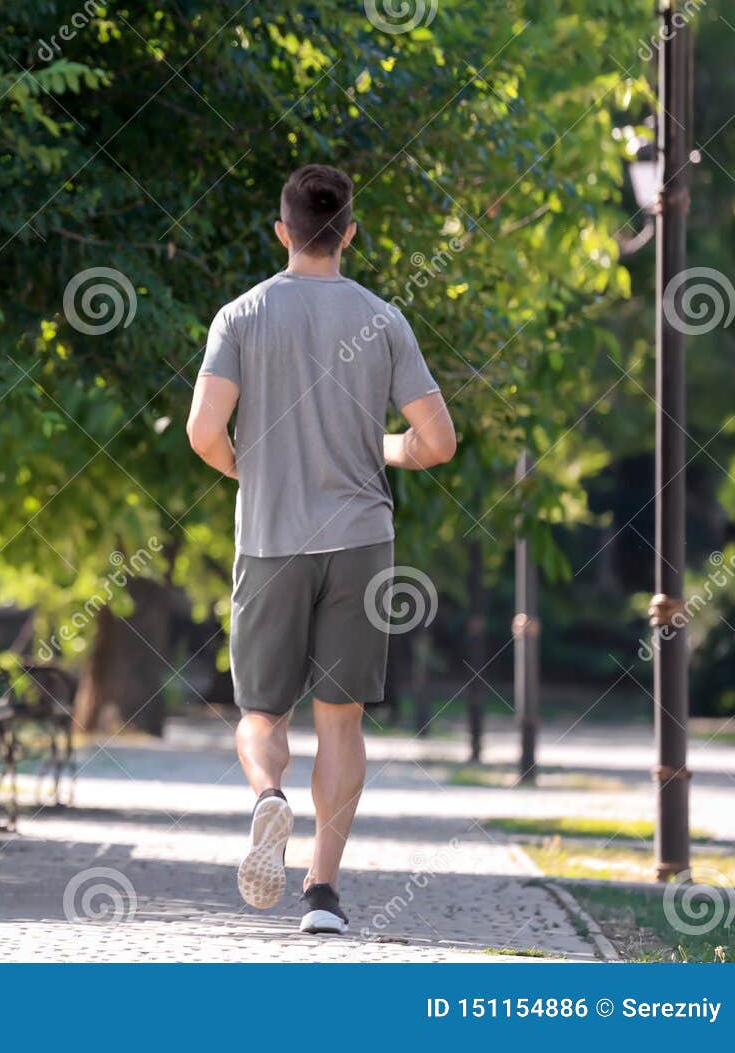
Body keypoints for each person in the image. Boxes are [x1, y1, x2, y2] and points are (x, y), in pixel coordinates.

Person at [185, 164, 456, 935]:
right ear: (349, 233)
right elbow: (438, 441)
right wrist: (382, 448)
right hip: (361, 541)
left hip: (270, 538)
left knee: (261, 711)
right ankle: (322, 894)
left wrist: (251, 467)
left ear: (283, 232)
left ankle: (268, 798)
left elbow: (204, 432)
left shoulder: (241, 315)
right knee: (342, 720)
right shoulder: (383, 319)